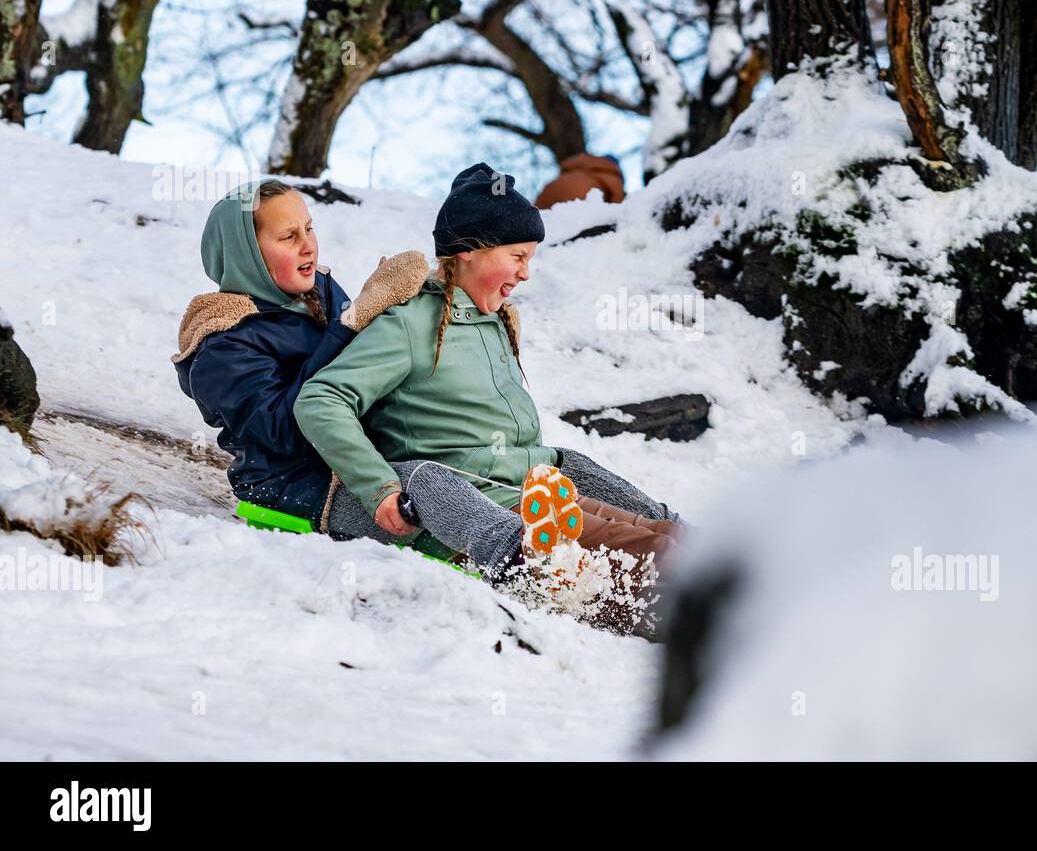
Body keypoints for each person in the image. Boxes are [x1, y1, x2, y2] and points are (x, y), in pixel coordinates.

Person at [294, 163, 690, 637]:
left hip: (543, 494)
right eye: (518, 256)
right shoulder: (410, 323)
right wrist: (379, 486)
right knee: (659, 562)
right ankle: (733, 628)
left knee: (680, 543)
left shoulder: (495, 321)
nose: (525, 273)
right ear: (469, 252)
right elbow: (321, 399)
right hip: (496, 506)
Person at [171, 179, 457, 531]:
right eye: (288, 237)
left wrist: (408, 307)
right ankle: (516, 558)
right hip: (295, 484)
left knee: (457, 455)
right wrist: (348, 326)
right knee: (428, 491)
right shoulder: (224, 342)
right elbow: (284, 432)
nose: (308, 246)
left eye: (309, 229)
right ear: (247, 253)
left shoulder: (319, 291)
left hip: (361, 457)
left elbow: (364, 364)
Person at [534, 153, 625, 210]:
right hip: (578, 206)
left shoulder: (573, 170)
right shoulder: (610, 172)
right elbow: (617, 204)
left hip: (542, 206)